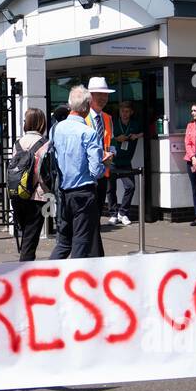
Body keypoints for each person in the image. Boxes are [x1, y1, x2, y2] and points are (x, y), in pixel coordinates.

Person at [48, 85, 107, 260]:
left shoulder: (56, 129)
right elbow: (96, 170)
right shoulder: (88, 133)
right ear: (88, 107)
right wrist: (105, 164)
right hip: (84, 192)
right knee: (81, 242)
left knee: (64, 242)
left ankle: (47, 276)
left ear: (70, 104)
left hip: (64, 190)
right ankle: (74, 282)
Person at [8, 107, 49, 260]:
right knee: (31, 239)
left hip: (18, 195)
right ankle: (23, 271)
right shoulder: (45, 144)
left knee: (26, 234)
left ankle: (24, 265)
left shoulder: (17, 143)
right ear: (41, 123)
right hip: (37, 196)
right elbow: (46, 174)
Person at [84, 77, 114, 253]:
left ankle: (94, 252)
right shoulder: (83, 117)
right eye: (99, 95)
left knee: (96, 217)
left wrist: (112, 152)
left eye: (105, 95)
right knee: (90, 217)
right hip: (88, 174)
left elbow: (108, 142)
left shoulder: (108, 118)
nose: (103, 98)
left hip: (104, 173)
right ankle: (95, 253)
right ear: (90, 96)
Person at [107, 100, 140, 227]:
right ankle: (113, 214)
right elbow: (105, 137)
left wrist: (137, 135)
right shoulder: (114, 123)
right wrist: (116, 138)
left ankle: (123, 212)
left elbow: (145, 132)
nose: (124, 114)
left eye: (127, 111)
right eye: (122, 111)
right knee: (111, 188)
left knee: (130, 186)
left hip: (126, 160)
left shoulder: (135, 124)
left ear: (131, 112)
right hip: (113, 160)